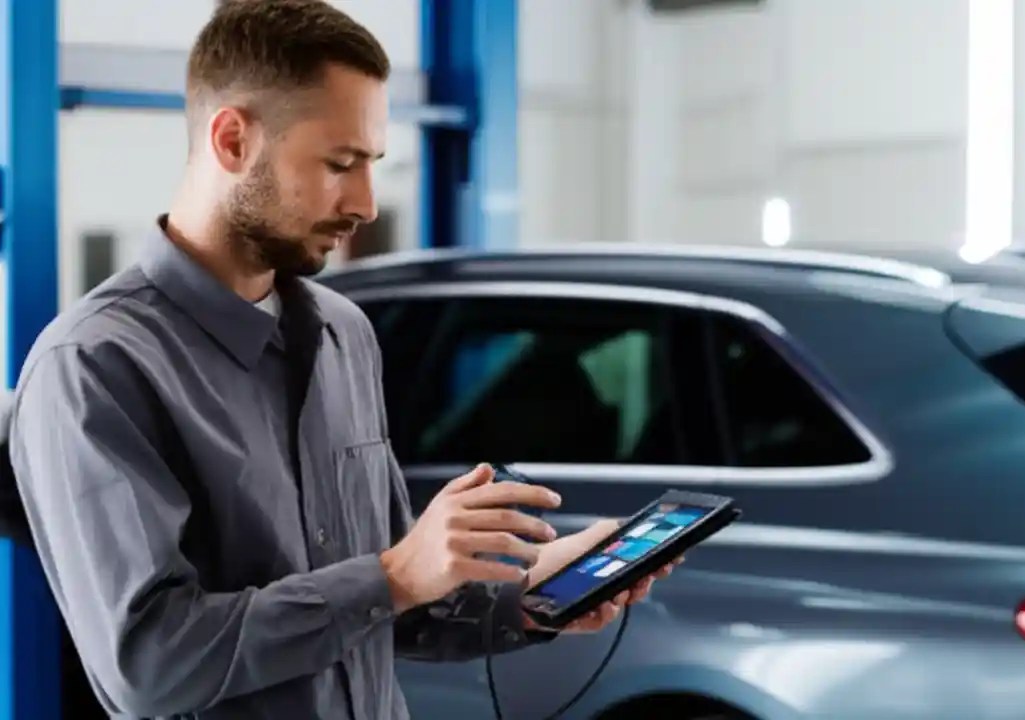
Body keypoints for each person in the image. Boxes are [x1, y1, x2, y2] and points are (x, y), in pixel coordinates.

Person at [7, 1, 677, 718]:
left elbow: (386, 605)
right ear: (232, 140)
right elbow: (150, 662)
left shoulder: (342, 334)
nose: (363, 203)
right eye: (339, 163)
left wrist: (534, 595)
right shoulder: (95, 367)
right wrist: (391, 576)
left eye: (372, 164)